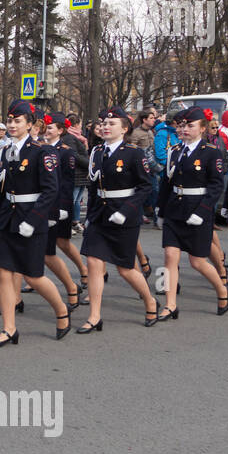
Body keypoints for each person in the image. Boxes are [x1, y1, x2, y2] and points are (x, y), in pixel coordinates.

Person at [0, 101, 68, 345]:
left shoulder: (42, 152)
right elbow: (1, 187)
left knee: (33, 276)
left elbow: (50, 189)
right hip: (9, 218)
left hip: (31, 218)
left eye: (18, 121)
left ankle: (61, 310)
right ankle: (9, 328)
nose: (12, 125)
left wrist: (34, 220)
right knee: (3, 270)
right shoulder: (5, 150)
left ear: (31, 125)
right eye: (9, 121)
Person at [78, 106, 159, 333]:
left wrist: (126, 210)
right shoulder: (96, 152)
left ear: (124, 129)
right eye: (103, 123)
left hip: (124, 216)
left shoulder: (134, 153)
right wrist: (89, 217)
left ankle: (149, 300)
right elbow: (94, 186)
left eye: (111, 124)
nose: (105, 127)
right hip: (100, 215)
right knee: (94, 263)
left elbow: (145, 186)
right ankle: (94, 316)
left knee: (125, 269)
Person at [158, 106, 228, 318]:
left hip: (197, 209)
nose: (184, 129)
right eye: (181, 125)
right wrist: (161, 210)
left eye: (190, 125)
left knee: (197, 261)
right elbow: (167, 183)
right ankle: (170, 304)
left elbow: (216, 185)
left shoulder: (211, 152)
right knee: (170, 256)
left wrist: (204, 210)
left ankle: (222, 289)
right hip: (175, 209)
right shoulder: (176, 151)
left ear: (203, 128)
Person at [40, 112, 86, 313]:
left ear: (60, 130)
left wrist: (63, 207)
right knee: (49, 249)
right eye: (46, 127)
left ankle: (79, 276)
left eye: (51, 127)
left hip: (59, 205)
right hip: (44, 205)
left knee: (61, 244)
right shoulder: (40, 149)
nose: (47, 130)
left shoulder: (66, 152)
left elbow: (67, 182)